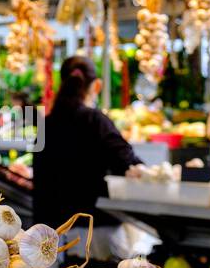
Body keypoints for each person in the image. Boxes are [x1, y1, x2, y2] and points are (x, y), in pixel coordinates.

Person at [33, 56, 139, 251]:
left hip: (51, 238)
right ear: (96, 86)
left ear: (61, 83)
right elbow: (128, 162)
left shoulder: (45, 125)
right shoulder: (96, 121)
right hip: (97, 234)